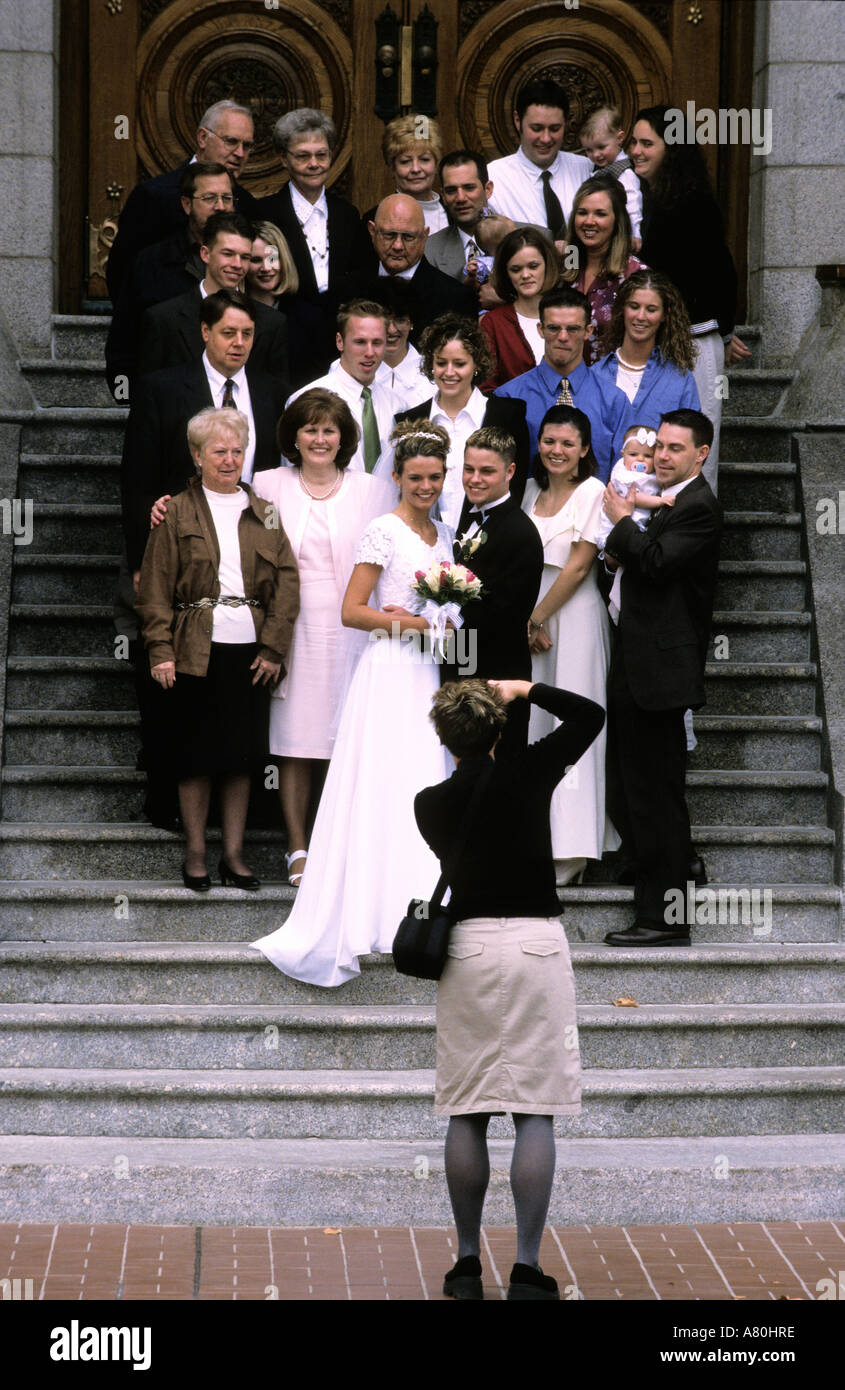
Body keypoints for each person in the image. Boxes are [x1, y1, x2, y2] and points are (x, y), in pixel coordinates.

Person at [414, 677, 605, 1301]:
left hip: (465, 949)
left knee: (466, 1109)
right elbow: (589, 716)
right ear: (498, 730)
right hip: (536, 943)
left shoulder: (429, 803)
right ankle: (526, 1266)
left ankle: (466, 1264)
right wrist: (527, 688)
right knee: (534, 1110)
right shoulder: (529, 773)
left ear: (444, 738)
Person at [251, 422, 455, 987]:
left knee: (421, 776)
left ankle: (415, 898)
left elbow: (448, 614)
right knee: (381, 779)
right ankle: (367, 906)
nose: (426, 486)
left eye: (435, 477)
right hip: (387, 670)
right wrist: (413, 622)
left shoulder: (444, 535)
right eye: (416, 477)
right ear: (397, 476)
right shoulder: (382, 532)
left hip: (426, 671)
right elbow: (352, 610)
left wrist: (447, 621)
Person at [135, 407, 299, 892]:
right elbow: (156, 586)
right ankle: (196, 852)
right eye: (218, 451)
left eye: (236, 450)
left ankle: (234, 854)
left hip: (249, 650)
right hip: (192, 649)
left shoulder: (265, 511)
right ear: (197, 455)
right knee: (195, 757)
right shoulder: (176, 510)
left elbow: (287, 582)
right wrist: (160, 649)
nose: (229, 460)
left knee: (241, 758)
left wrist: (273, 647)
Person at [251, 390, 396, 887]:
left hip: (355, 625)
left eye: (329, 430)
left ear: (344, 438)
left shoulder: (373, 490)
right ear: (294, 436)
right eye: (310, 429)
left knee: (349, 736)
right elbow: (243, 541)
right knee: (296, 739)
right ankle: (298, 847)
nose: (319, 438)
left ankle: (343, 847)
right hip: (292, 626)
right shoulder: (268, 485)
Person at [601, 409, 723, 947]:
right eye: (659, 448)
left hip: (662, 673)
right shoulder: (668, 500)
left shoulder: (698, 508)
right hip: (636, 662)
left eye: (676, 449)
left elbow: (653, 563)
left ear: (702, 454)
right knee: (631, 792)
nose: (662, 457)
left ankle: (664, 919)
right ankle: (675, 870)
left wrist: (622, 519)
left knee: (656, 796)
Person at [522, 406, 620, 882]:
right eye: (549, 441)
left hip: (573, 616)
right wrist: (527, 620)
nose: (556, 450)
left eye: (567, 443)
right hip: (532, 621)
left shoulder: (592, 493)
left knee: (575, 724)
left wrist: (537, 617)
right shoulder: (528, 491)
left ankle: (575, 846)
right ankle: (537, 838)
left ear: (584, 449)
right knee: (537, 725)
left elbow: (580, 565)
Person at [121, 292, 287, 576]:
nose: (239, 342)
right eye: (228, 333)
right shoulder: (160, 390)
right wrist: (141, 561)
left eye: (247, 334)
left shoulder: (274, 393)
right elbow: (137, 480)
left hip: (253, 547)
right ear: (205, 331)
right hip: (182, 549)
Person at [630, 105, 752, 489]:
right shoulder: (653, 199)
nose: (636, 150)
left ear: (673, 148)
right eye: (633, 142)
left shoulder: (692, 202)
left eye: (647, 143)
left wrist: (724, 333)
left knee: (695, 446)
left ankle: (695, 538)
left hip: (695, 342)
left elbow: (720, 272)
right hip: (660, 342)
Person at [442, 427, 543, 758]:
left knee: (496, 781)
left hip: (498, 680)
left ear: (510, 471)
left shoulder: (520, 533)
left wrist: (444, 624)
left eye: (487, 471)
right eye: (469, 469)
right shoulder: (466, 520)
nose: (475, 479)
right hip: (462, 669)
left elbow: (504, 615)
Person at [106, 99, 261, 302]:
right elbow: (123, 273)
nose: (240, 154)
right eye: (231, 141)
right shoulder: (154, 195)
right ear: (203, 138)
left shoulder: (248, 205)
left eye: (247, 146)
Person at [105, 161, 233, 395]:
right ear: (186, 204)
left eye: (227, 198)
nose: (220, 206)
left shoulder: (248, 257)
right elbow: (124, 338)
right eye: (209, 198)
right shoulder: (151, 263)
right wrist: (130, 394)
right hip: (168, 398)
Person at [256, 109, 367, 374]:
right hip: (286, 338)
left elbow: (359, 275)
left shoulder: (347, 215)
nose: (314, 164)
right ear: (284, 159)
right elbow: (267, 271)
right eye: (303, 156)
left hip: (342, 343)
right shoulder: (266, 214)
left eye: (322, 154)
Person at [392, 314, 530, 527]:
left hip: (489, 540)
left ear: (476, 364)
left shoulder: (507, 416)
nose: (449, 372)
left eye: (459, 364)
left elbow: (516, 486)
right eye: (441, 363)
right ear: (431, 364)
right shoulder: (409, 420)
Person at [495, 286, 632, 477]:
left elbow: (623, 476)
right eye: (553, 328)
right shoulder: (508, 397)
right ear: (541, 329)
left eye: (573, 329)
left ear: (588, 331)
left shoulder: (614, 402)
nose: (563, 337)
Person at [136, 214, 290, 384]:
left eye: (245, 257)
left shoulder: (272, 324)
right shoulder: (163, 320)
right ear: (205, 254)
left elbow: (276, 398)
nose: (237, 264)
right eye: (228, 254)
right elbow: (149, 395)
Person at [341, 194, 476, 343]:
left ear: (425, 236)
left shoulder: (455, 300)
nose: (398, 246)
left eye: (408, 237)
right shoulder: (345, 291)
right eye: (389, 235)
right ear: (372, 231)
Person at [287, 299, 397, 473]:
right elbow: (292, 474)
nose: (370, 352)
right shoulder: (305, 399)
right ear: (340, 342)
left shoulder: (397, 404)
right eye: (360, 342)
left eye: (377, 342)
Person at [488, 78, 592, 244]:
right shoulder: (494, 179)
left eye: (555, 129)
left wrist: (573, 265)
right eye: (536, 129)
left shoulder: (586, 169)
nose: (545, 138)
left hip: (579, 266)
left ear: (566, 123)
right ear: (517, 121)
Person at [592, 270, 701, 425]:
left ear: (664, 315)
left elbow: (689, 442)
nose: (641, 316)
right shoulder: (596, 375)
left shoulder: (680, 379)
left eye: (651, 310)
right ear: (623, 309)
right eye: (634, 306)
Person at [560, 176, 645, 366]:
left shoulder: (637, 275)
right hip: (566, 386)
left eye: (600, 214)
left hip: (615, 388)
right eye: (582, 213)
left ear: (617, 220)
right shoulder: (565, 268)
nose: (589, 221)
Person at [595, 425, 672, 621]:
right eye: (634, 454)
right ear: (623, 454)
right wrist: (660, 501)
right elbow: (636, 498)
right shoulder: (625, 475)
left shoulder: (650, 476)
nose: (640, 460)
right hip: (621, 521)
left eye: (647, 456)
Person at [246, 220, 330, 390]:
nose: (266, 268)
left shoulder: (308, 316)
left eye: (272, 258)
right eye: (255, 260)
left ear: (283, 259)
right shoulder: (234, 313)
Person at [479, 227, 561, 388]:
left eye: (533, 266)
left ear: (547, 265)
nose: (525, 275)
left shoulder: (568, 313)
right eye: (516, 269)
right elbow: (487, 386)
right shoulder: (493, 323)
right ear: (506, 273)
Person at [362, 114, 448, 235]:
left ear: (436, 164)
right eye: (405, 161)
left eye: (424, 159)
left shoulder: (455, 212)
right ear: (392, 167)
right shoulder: (374, 218)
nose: (416, 169)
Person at [578, 105, 643, 245]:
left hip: (621, 237)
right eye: (589, 150)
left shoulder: (626, 174)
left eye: (601, 147)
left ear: (619, 138)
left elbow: (634, 205)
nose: (595, 154)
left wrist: (634, 234)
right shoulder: (596, 171)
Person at [372, 281, 431, 410]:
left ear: (412, 323)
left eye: (400, 320)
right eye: (385, 321)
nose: (392, 330)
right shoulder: (350, 367)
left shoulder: (432, 372)